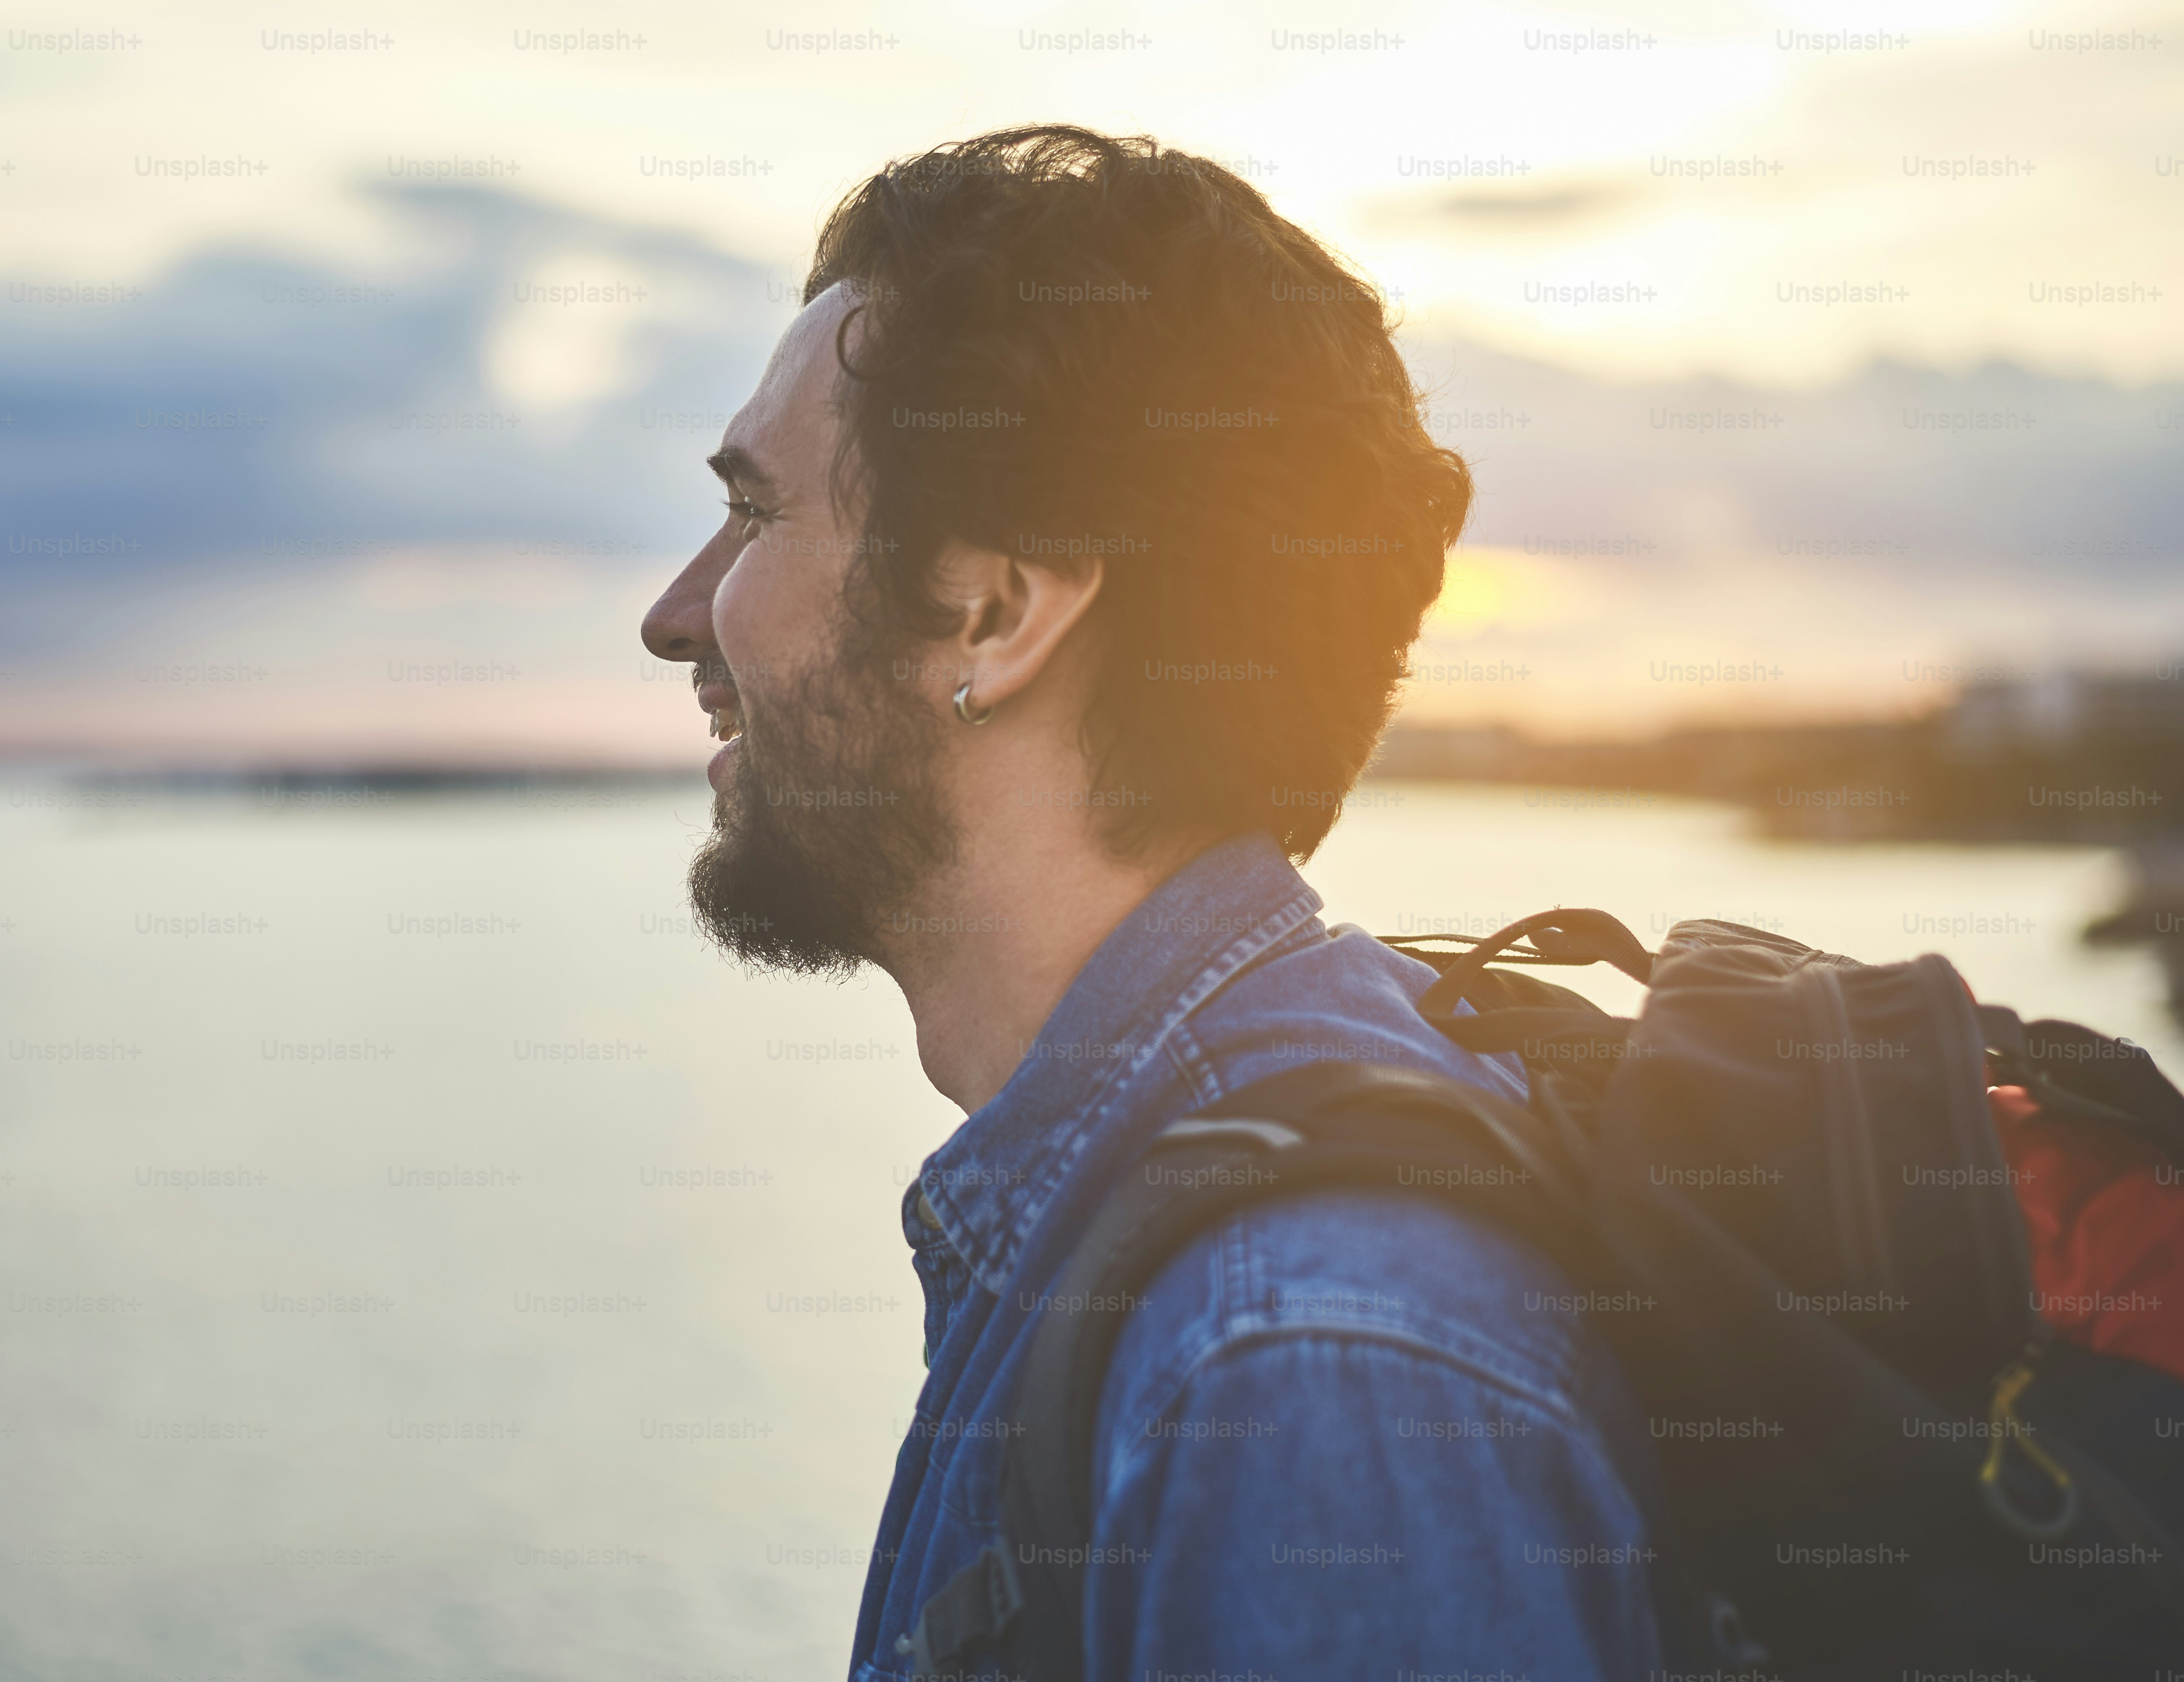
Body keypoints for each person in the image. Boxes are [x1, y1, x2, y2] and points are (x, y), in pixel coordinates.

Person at [640, 126, 1661, 1679]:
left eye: (759, 515)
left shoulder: (1302, 1364)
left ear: (997, 609)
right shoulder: (1176, 1220)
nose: (672, 616)